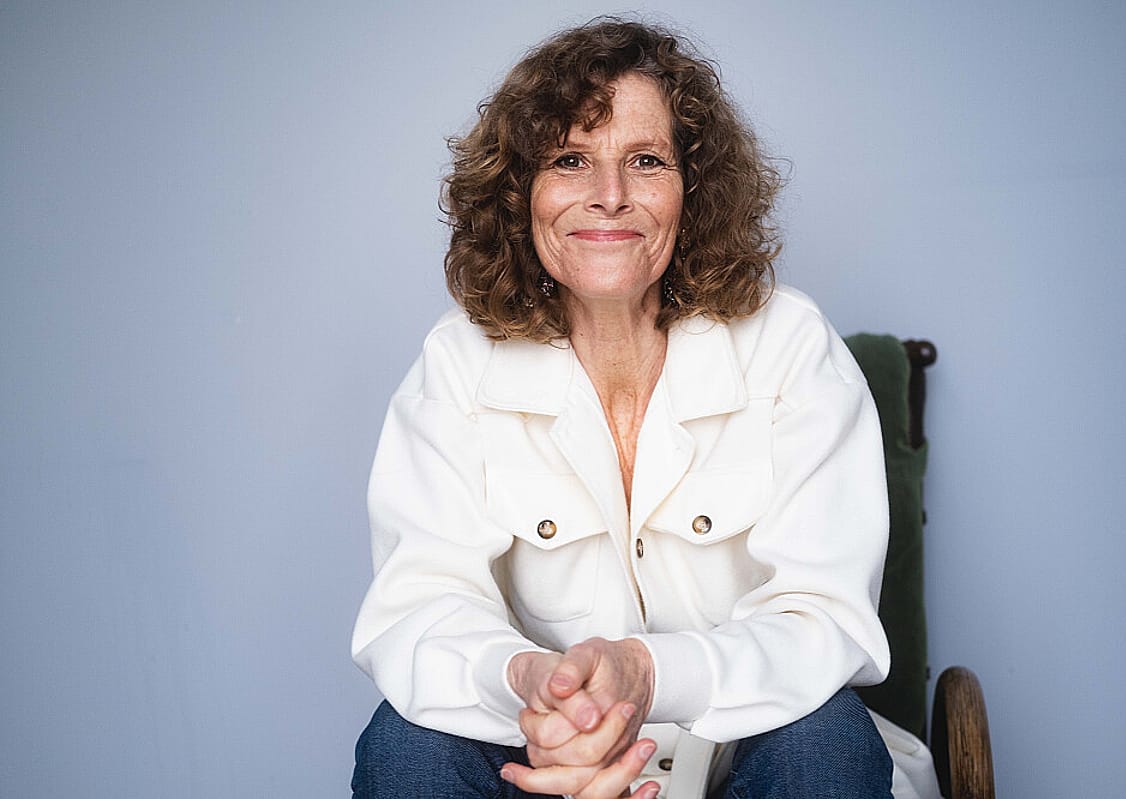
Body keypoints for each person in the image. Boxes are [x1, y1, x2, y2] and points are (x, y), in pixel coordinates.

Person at [351, 17, 911, 799]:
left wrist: (648, 672)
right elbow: (419, 608)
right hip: (543, 763)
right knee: (405, 745)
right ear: (521, 194)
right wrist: (529, 681)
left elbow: (825, 622)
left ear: (694, 190)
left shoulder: (791, 346)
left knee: (825, 739)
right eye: (571, 160)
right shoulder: (457, 363)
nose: (608, 196)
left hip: (745, 761)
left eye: (645, 161)